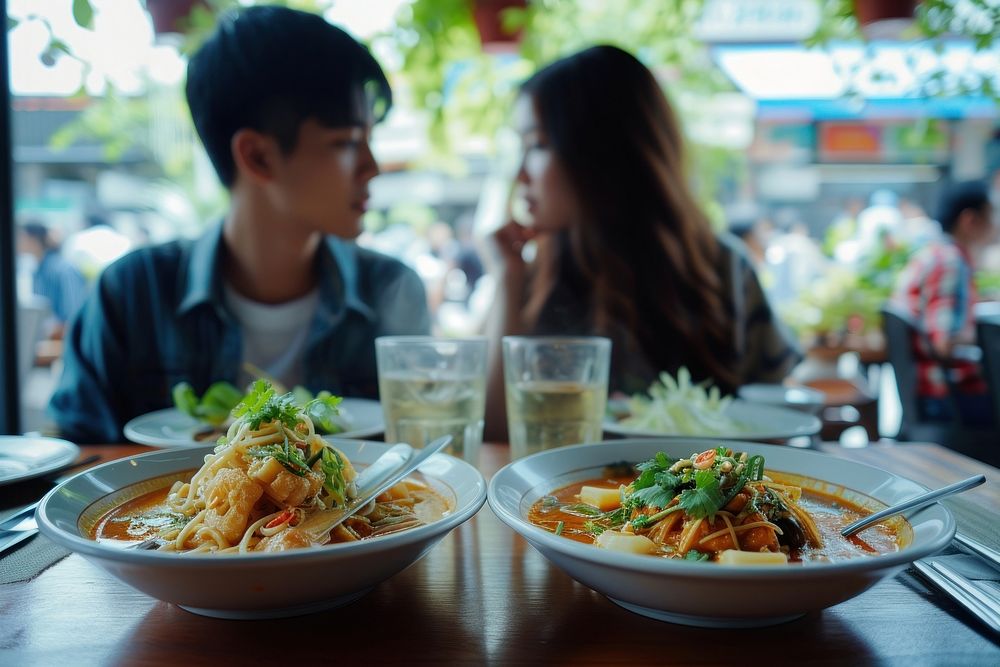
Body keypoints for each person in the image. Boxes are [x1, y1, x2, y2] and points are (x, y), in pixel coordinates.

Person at [50, 6, 429, 443]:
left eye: (369, 139)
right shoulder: (131, 295)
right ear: (258, 156)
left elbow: (415, 466)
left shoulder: (389, 289)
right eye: (345, 142)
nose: (372, 166)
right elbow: (78, 465)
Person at [483, 45, 801, 439]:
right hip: (565, 500)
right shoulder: (534, 280)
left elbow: (776, 422)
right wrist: (507, 280)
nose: (520, 175)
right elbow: (492, 433)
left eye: (537, 145)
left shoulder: (724, 270)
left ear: (602, 152)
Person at [890, 180, 996, 425]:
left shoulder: (932, 254)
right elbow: (945, 343)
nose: (996, 225)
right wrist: (984, 336)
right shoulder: (951, 262)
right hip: (948, 402)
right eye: (992, 215)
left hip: (929, 397)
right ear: (970, 220)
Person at [16, 221, 89, 339]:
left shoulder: (64, 270)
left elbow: (74, 318)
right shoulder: (37, 271)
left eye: (21, 237)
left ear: (33, 240)